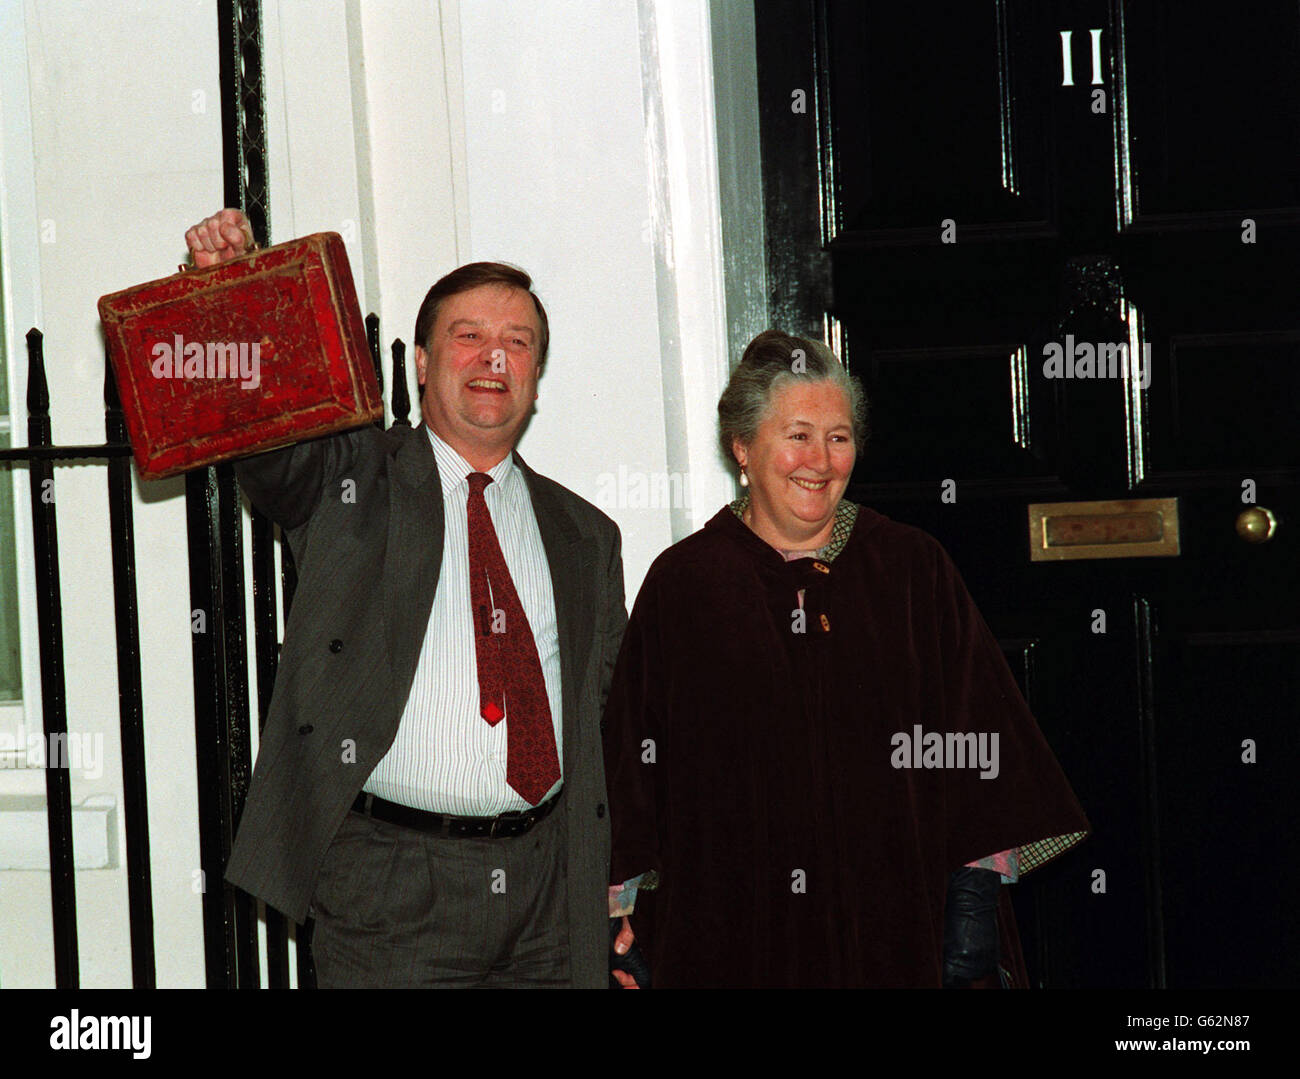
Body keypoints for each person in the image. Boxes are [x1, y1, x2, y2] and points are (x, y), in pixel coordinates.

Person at [185, 209, 634, 987]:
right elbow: (271, 446)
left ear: (535, 376)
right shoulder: (355, 481)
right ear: (423, 362)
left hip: (549, 895)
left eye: (517, 342)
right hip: (391, 892)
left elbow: (609, 722)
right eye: (468, 335)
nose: (494, 355)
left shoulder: (586, 534)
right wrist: (234, 293)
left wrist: (617, 886)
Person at [601, 329, 1090, 987]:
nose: (821, 460)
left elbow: (985, 747)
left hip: (897, 931)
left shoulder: (913, 569)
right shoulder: (684, 584)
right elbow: (633, 771)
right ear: (742, 446)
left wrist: (972, 903)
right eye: (798, 435)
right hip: (727, 932)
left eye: (839, 436)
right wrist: (623, 911)